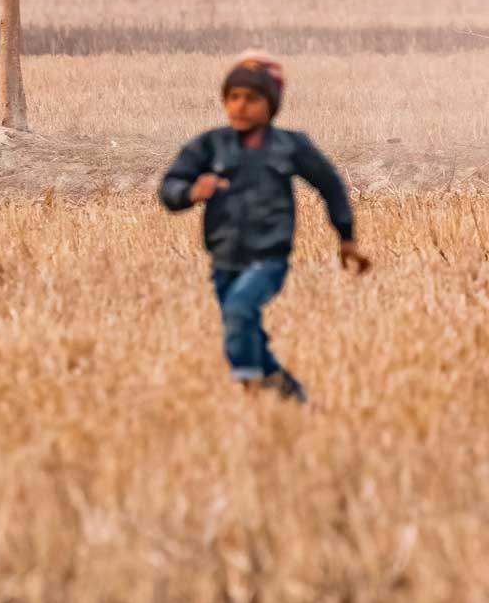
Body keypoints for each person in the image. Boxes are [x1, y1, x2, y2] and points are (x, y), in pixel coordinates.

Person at [158, 50, 370, 402]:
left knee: (240, 312)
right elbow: (170, 187)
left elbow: (331, 186)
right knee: (243, 331)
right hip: (224, 257)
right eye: (233, 97)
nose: (240, 106)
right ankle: (291, 397)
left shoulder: (290, 146)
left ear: (271, 104)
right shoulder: (211, 145)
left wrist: (346, 236)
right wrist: (191, 192)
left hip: (269, 257)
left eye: (252, 99)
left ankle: (252, 394)